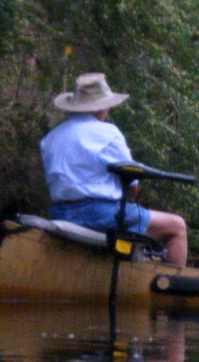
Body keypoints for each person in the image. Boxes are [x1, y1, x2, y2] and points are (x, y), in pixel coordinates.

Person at [40, 72, 189, 266]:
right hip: (99, 216)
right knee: (177, 227)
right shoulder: (108, 133)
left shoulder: (51, 137)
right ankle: (171, 284)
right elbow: (133, 188)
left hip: (59, 212)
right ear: (101, 107)